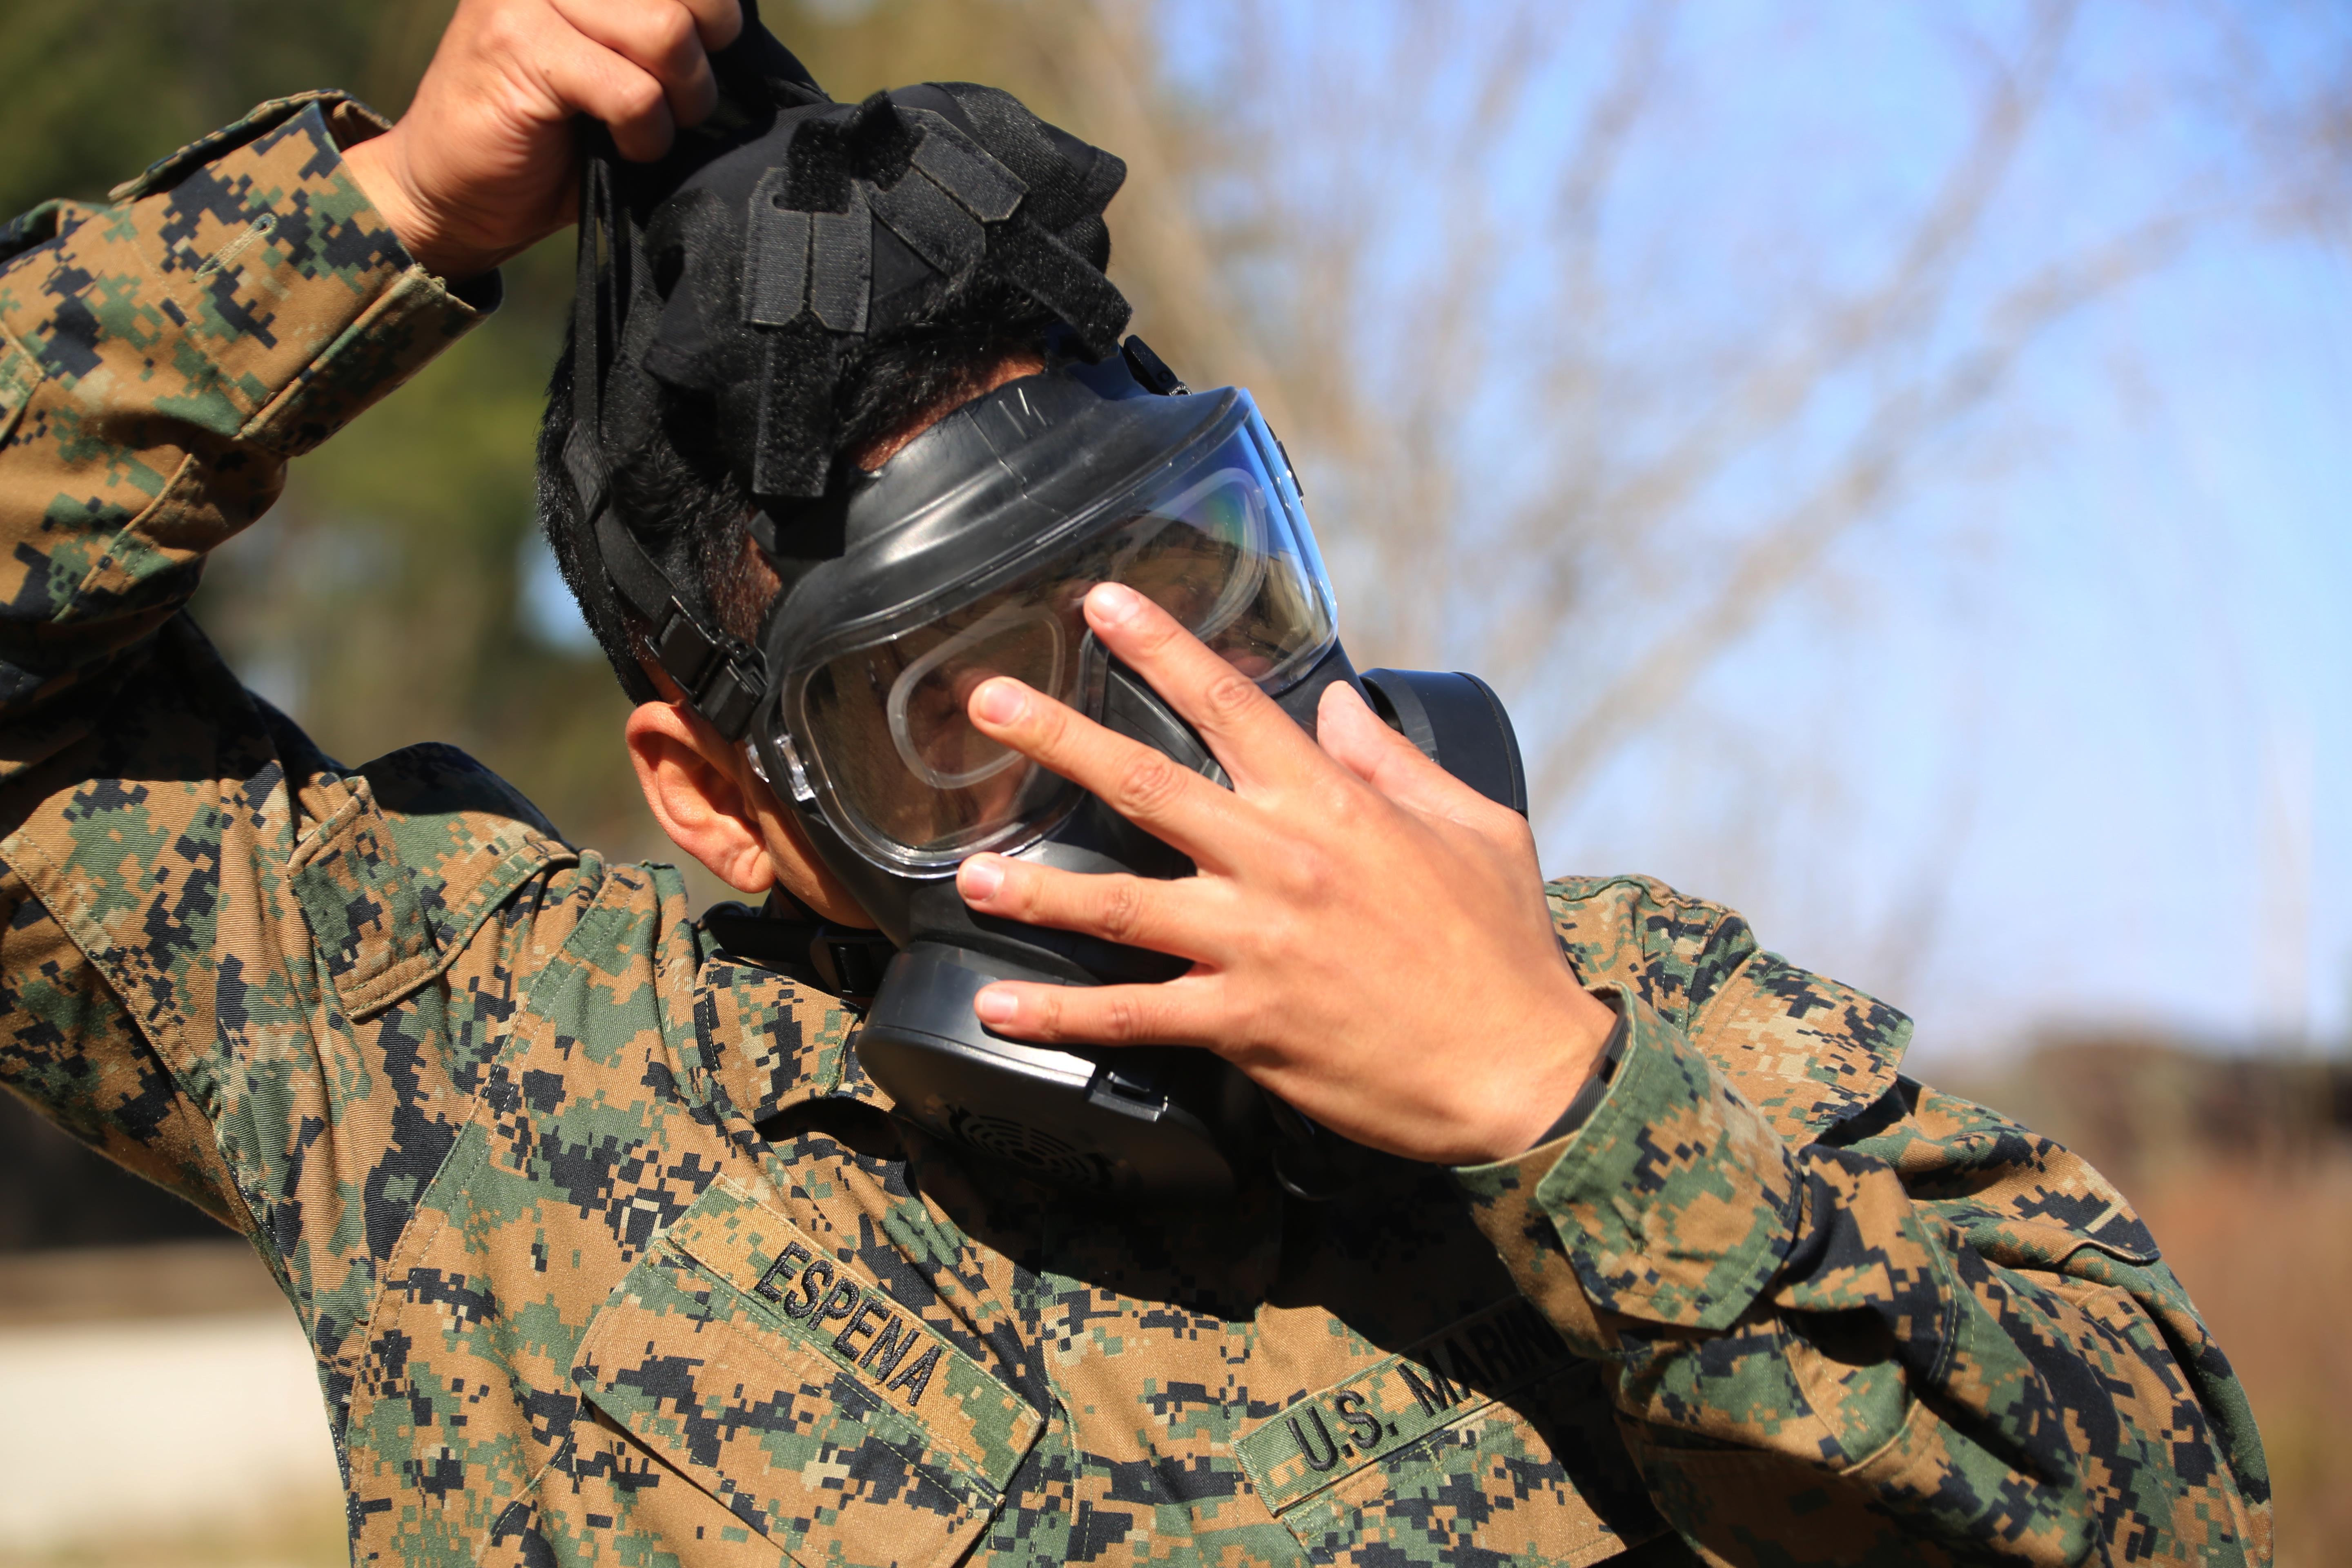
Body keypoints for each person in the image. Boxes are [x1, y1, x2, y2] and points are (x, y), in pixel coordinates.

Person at [0, 1, 2268, 1564]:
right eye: (965, 704)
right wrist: (388, 210)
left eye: (1182, 589)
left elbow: (2162, 1509)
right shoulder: (467, 1064)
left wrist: (1557, 1112)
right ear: (719, 792)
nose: (1137, 733)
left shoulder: (1646, 1015)